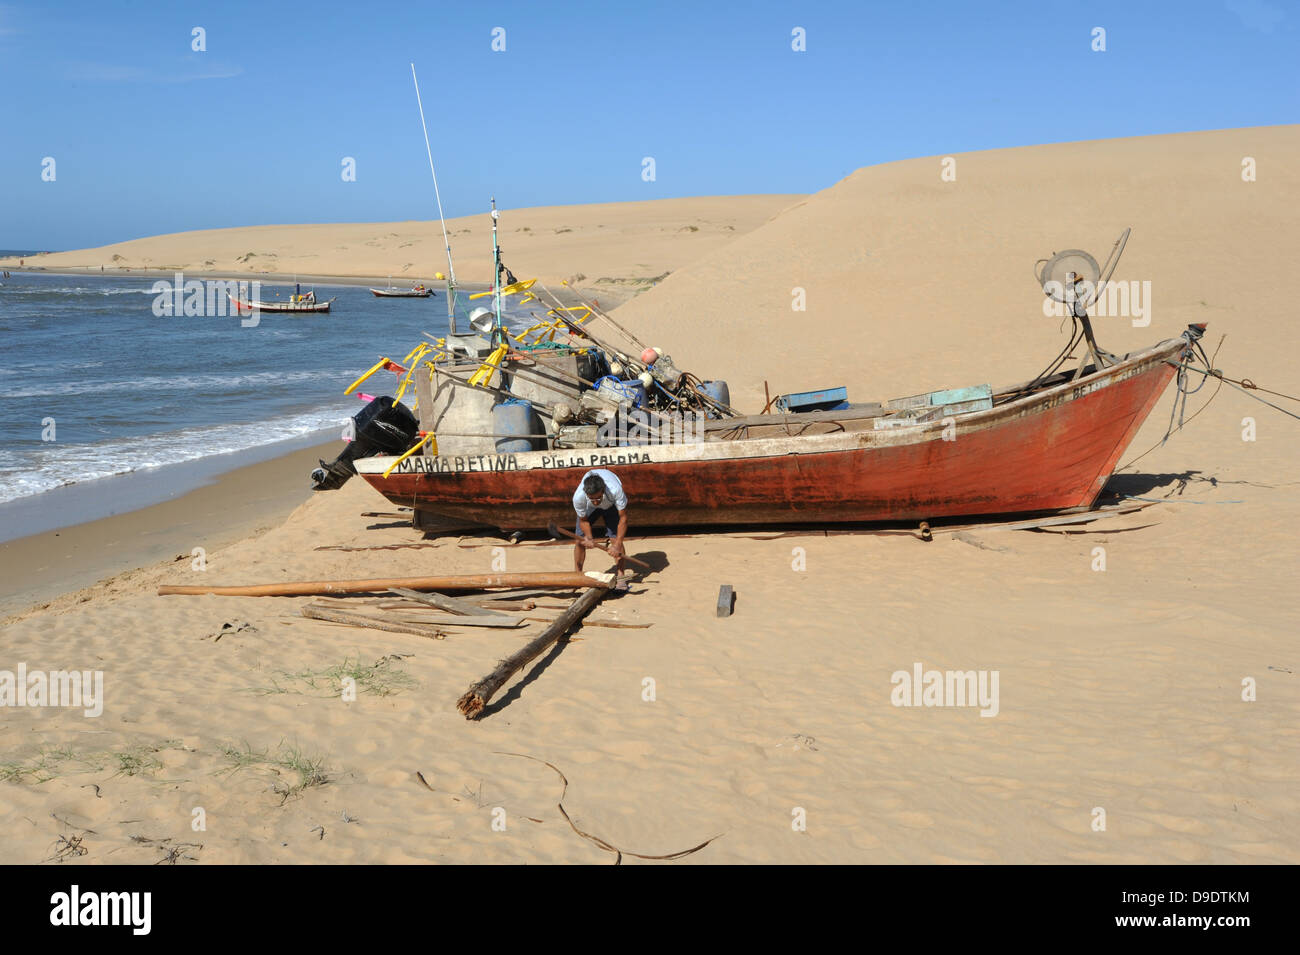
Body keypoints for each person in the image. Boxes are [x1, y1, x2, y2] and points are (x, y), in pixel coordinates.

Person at [572, 469, 628, 577]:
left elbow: (623, 518)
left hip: (610, 504)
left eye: (598, 497)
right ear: (586, 494)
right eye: (591, 498)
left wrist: (617, 544)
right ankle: (577, 575)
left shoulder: (615, 490)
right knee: (580, 540)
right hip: (589, 509)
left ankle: (621, 576)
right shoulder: (579, 497)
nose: (596, 502)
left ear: (603, 490)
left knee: (615, 539)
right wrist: (589, 537)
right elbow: (583, 521)